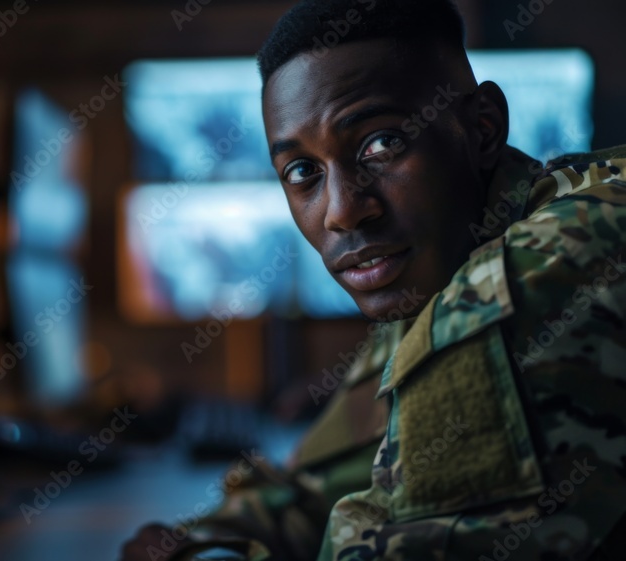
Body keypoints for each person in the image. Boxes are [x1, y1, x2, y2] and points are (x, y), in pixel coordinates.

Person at [120, 0, 626, 559]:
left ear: (482, 128)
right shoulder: (440, 270)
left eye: (381, 143)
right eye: (302, 171)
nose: (342, 211)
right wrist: (205, 543)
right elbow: (309, 493)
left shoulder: (538, 267)